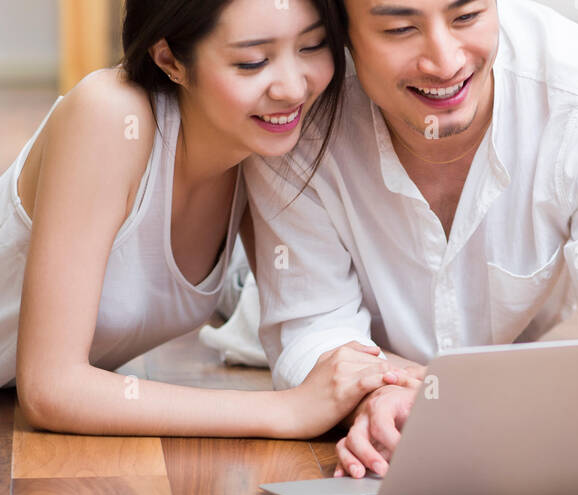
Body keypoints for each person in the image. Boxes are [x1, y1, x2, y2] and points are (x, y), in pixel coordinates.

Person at [242, 0, 578, 495]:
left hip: (436, 364)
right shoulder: (296, 112)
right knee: (238, 299)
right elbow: (312, 322)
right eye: (400, 29)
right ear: (343, 33)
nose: (444, 62)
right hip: (261, 305)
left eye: (467, 17)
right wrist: (373, 393)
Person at [0, 0, 409, 438]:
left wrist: (405, 383)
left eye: (313, 45)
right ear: (170, 60)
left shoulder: (260, 152)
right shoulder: (110, 115)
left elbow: (312, 314)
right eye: (252, 62)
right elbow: (51, 388)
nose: (292, 88)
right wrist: (284, 412)